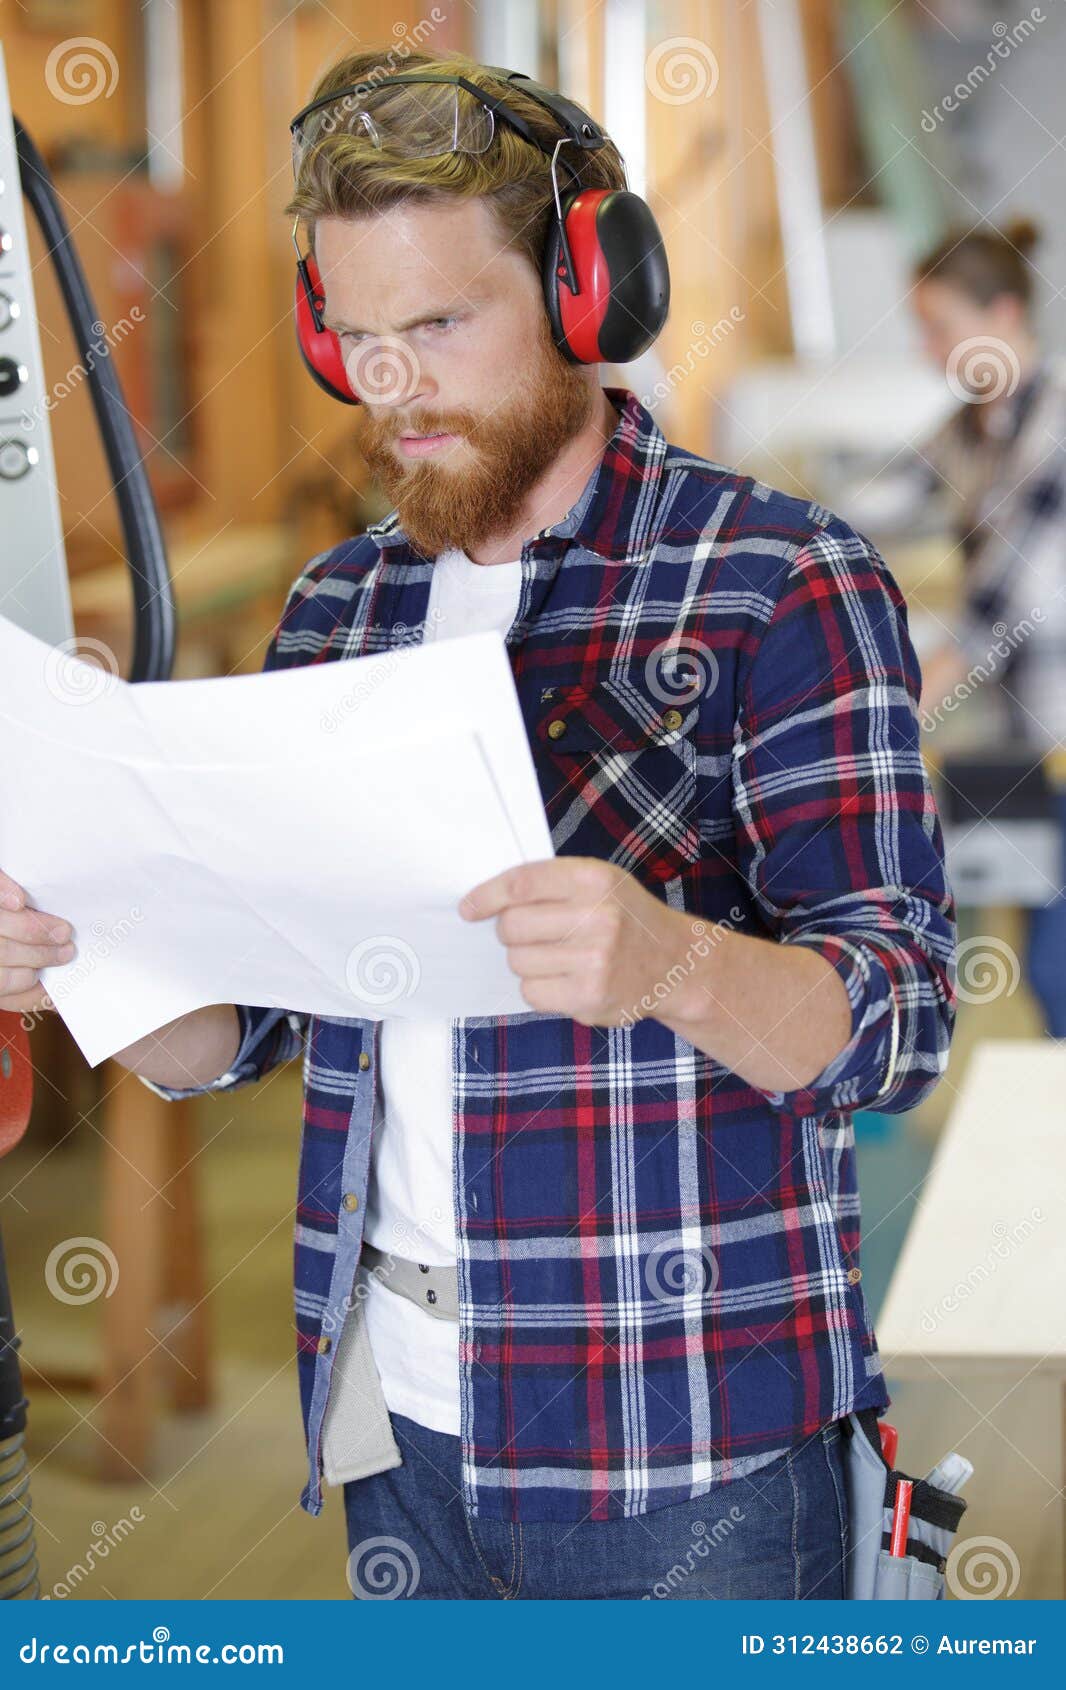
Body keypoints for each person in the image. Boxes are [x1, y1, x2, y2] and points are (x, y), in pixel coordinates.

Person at [0, 50, 956, 1600]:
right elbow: (246, 1033)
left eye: (439, 326)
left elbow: (901, 1022)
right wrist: (85, 954)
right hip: (398, 1427)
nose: (392, 385)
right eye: (357, 338)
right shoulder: (340, 609)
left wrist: (667, 961)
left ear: (589, 294)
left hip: (683, 1444)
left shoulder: (778, 578)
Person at [849, 219, 1066, 1036]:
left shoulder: (1055, 432)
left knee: (1054, 967)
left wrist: (887, 724)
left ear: (1003, 314)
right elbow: (877, 504)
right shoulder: (976, 424)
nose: (927, 349)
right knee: (1032, 961)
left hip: (1057, 739)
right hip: (1020, 745)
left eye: (938, 326)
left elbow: (991, 620)